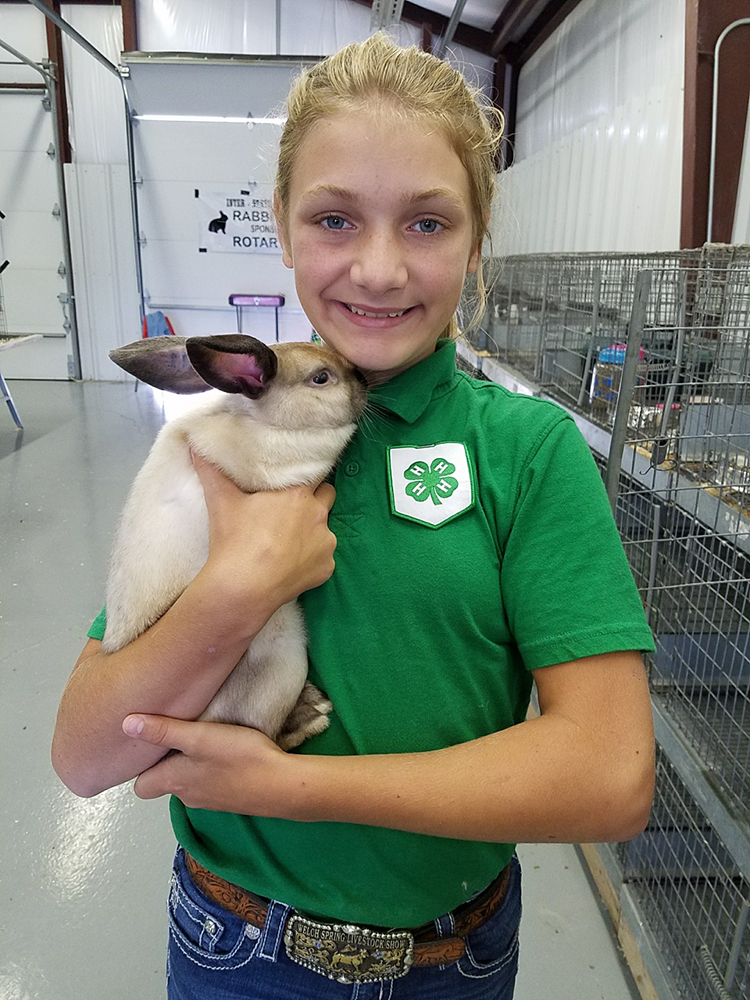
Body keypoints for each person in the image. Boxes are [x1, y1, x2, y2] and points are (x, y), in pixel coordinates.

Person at [52, 32, 655, 1000]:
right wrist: (240, 585)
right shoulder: (222, 445)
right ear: (284, 230)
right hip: (237, 944)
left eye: (426, 224)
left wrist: (292, 785)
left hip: (452, 955)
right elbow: (84, 756)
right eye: (334, 219)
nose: (377, 271)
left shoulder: (528, 451)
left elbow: (611, 772)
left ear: (475, 239)